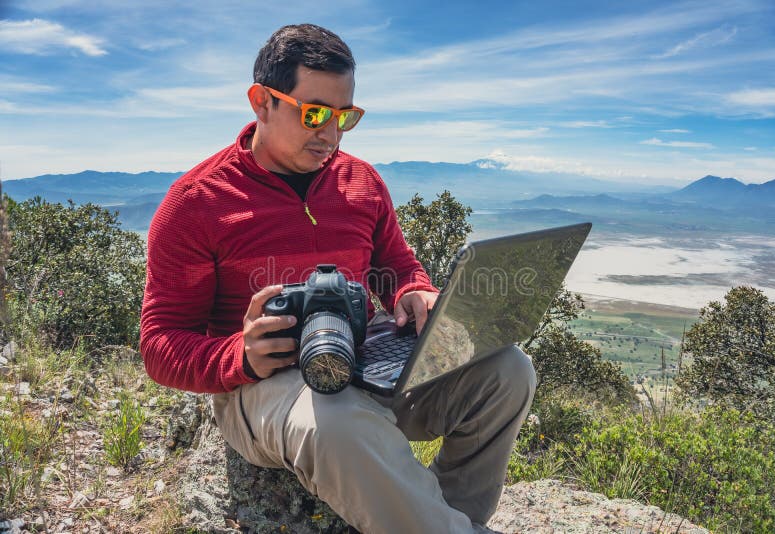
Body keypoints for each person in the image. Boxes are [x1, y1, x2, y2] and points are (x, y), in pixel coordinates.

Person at [140, 23, 536, 534]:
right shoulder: (198, 203)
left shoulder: (361, 180)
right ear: (262, 102)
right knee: (338, 422)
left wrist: (413, 290)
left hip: (367, 358)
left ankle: (452, 519)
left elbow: (396, 265)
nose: (330, 133)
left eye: (345, 116)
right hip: (265, 384)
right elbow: (160, 343)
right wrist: (241, 355)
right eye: (314, 113)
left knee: (507, 369)